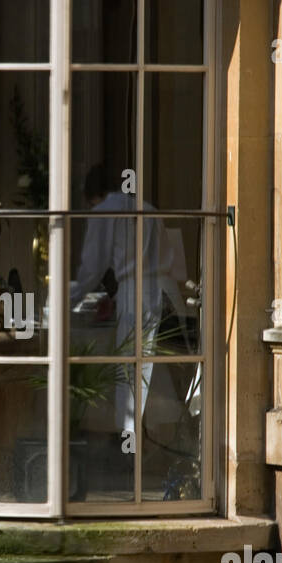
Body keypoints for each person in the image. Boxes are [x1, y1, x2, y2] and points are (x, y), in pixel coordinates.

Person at [70, 163, 184, 436]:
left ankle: (131, 441)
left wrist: (67, 300)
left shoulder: (105, 211)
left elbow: (92, 267)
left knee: (133, 371)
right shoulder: (149, 209)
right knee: (155, 370)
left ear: (93, 195)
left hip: (137, 294)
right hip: (164, 292)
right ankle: (157, 437)